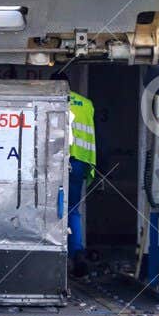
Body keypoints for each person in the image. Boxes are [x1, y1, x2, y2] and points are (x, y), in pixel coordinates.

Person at [67, 88, 96, 258]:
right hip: (80, 161)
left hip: (57, 160)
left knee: (49, 208)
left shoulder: (54, 99)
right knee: (72, 209)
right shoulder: (86, 103)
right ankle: (76, 251)